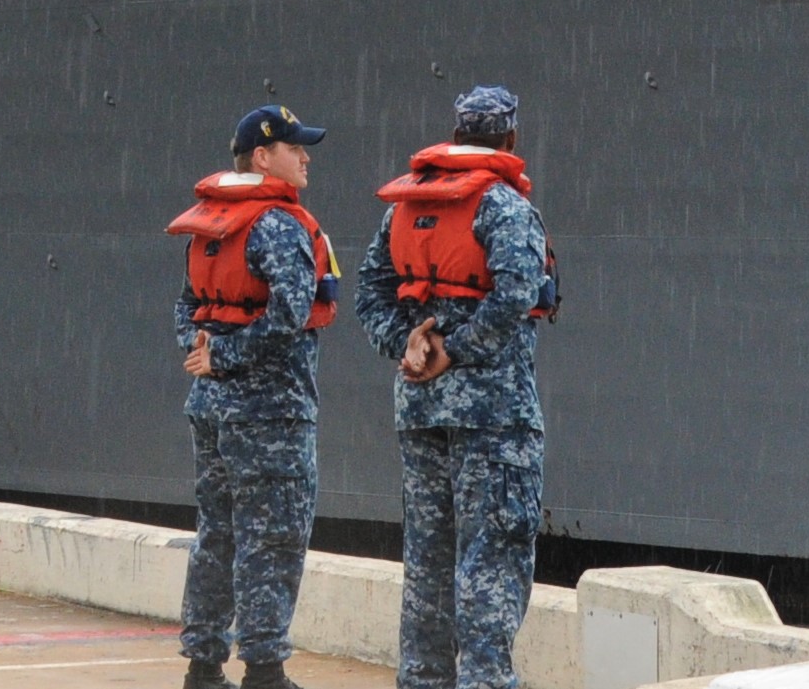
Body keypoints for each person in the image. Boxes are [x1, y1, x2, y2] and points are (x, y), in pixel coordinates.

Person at [359, 86, 553, 689]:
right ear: (510, 139)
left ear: (457, 133)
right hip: (493, 413)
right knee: (492, 550)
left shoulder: (403, 209)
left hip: (417, 407)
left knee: (428, 556)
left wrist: (409, 345)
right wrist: (455, 351)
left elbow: (370, 293)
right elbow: (519, 293)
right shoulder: (503, 206)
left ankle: (423, 681)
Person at [172, 103, 341, 689]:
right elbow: (293, 312)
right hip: (271, 412)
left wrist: (202, 353)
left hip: (210, 408)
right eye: (296, 148)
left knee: (216, 534)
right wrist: (226, 355)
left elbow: (186, 304)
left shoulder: (209, 222)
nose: (306, 157)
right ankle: (266, 671)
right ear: (263, 157)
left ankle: (203, 664)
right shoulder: (277, 224)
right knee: (273, 538)